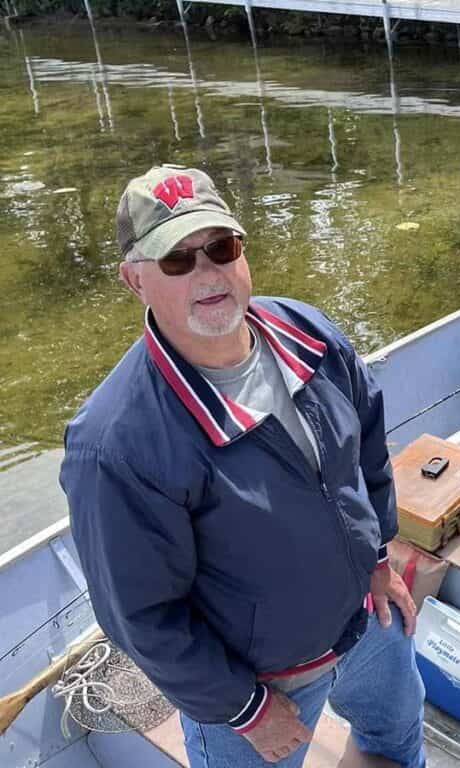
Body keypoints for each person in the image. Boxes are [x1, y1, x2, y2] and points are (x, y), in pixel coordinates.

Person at [60, 166, 426, 768]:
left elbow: (367, 443)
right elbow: (143, 618)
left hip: (367, 619)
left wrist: (379, 557)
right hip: (260, 686)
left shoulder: (308, 332)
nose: (208, 274)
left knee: (395, 739)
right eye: (177, 261)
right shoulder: (117, 445)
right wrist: (244, 710)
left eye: (220, 248)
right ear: (134, 281)